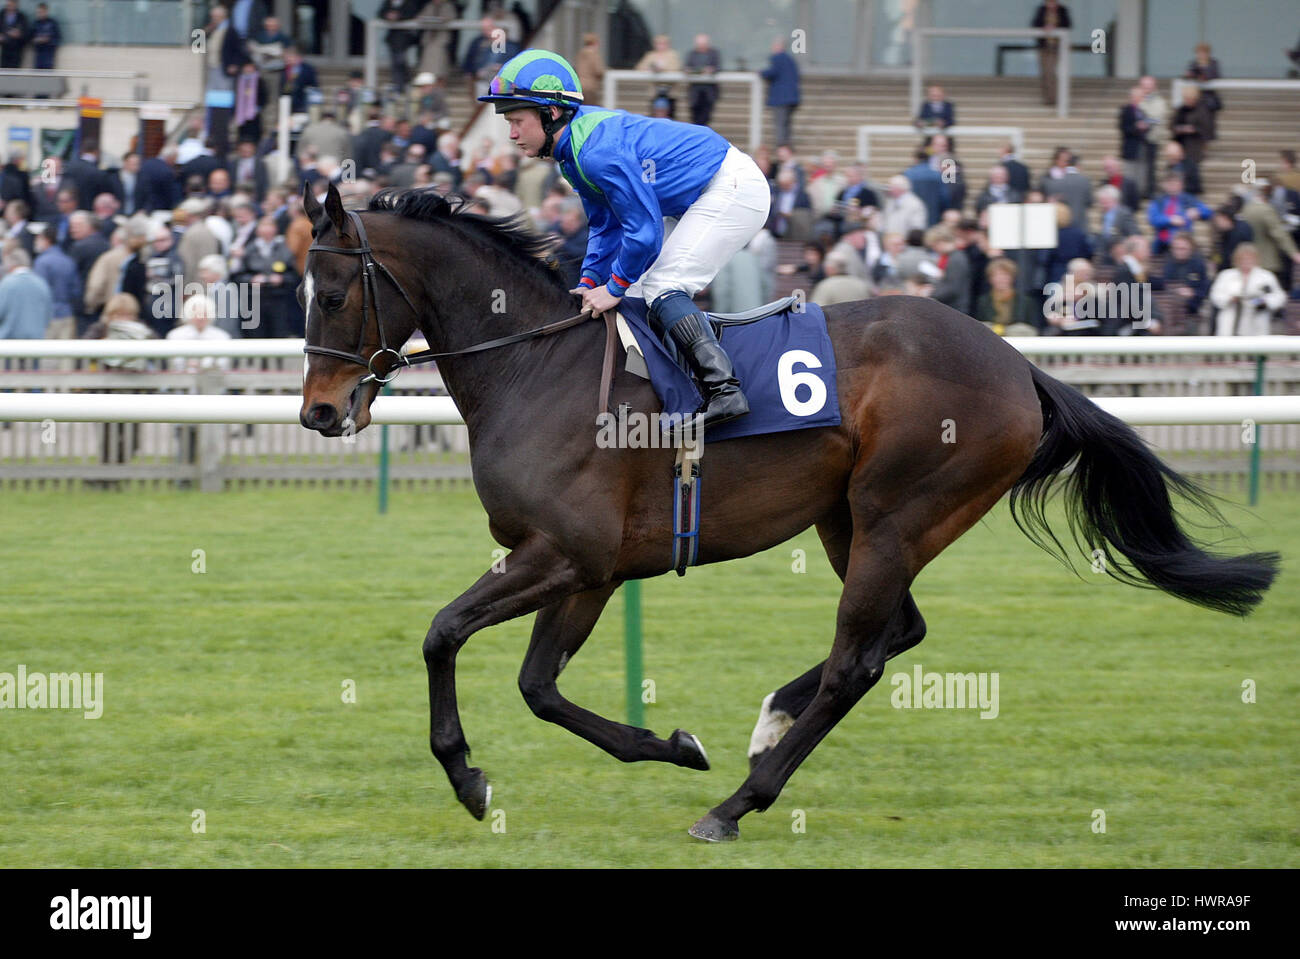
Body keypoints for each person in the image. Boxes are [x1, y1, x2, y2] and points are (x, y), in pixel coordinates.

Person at [481, 49, 771, 434]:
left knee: (662, 285)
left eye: (517, 120)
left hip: (732, 187)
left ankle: (724, 390)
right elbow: (605, 225)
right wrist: (588, 282)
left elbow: (645, 233)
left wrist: (612, 286)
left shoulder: (596, 153)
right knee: (633, 287)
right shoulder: (572, 154)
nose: (512, 134)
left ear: (551, 114)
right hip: (699, 193)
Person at [1209, 243, 1287, 336]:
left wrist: (1264, 301)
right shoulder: (1226, 275)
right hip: (1230, 321)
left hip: (1256, 322)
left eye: (1250, 258)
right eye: (1243, 259)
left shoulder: (1265, 276)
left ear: (1256, 260)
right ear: (1236, 260)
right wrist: (1230, 299)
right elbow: (1215, 294)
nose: (1246, 261)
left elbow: (1279, 296)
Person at [31, 225, 78, 338]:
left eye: (38, 238)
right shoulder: (68, 260)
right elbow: (76, 291)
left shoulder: (42, 262)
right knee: (66, 354)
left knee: (48, 354)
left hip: (48, 317)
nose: (36, 242)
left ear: (46, 240)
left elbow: (38, 292)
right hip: (67, 314)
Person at [1147, 171, 1209, 255]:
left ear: (1181, 185)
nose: (1173, 186)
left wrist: (1198, 212)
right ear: (1164, 185)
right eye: (1170, 183)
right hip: (1162, 245)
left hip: (1184, 242)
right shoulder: (1158, 201)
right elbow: (1153, 219)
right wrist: (1170, 220)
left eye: (1175, 183)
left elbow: (1208, 212)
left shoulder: (1189, 199)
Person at [1161, 233, 1211, 333]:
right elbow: (1163, 284)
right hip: (1171, 312)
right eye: (1176, 248)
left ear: (1190, 249)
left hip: (1191, 312)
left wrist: (1193, 293)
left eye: (1183, 248)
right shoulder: (1168, 264)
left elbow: (1205, 288)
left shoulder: (1199, 264)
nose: (1179, 251)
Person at [975, 258, 1038, 335]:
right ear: (990, 279)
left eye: (1005, 275)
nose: (1001, 279)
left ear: (1012, 277)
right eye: (996, 275)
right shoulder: (983, 301)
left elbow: (1033, 328)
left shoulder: (1025, 301)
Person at [0, 248, 52, 339]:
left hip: (10, 341)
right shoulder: (41, 283)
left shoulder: (6, 284)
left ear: (10, 265)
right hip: (36, 341)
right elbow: (48, 315)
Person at [1170, 85, 1212, 196]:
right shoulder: (1181, 109)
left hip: (1194, 146)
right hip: (1181, 143)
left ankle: (1193, 190)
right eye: (1185, 99)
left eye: (1189, 99)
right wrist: (1178, 129)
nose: (1187, 101)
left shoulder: (1202, 110)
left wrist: (1193, 129)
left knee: (1192, 168)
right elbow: (1172, 124)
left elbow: (1206, 128)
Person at [760, 37, 800, 148]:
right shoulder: (791, 60)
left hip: (780, 98)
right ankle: (787, 147)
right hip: (792, 98)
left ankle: (781, 148)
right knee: (786, 125)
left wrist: (761, 73)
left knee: (780, 125)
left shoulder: (777, 58)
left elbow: (772, 72)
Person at [1031, 0, 1071, 107]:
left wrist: (1055, 28)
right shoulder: (1041, 10)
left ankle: (1054, 98)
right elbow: (1035, 23)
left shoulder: (1063, 10)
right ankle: (1047, 97)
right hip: (1044, 46)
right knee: (1045, 72)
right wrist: (1044, 27)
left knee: (1051, 71)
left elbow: (1067, 24)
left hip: (1057, 47)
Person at [1183, 43, 1221, 139]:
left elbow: (1216, 76)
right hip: (1195, 97)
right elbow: (1188, 76)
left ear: (1208, 53)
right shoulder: (1193, 64)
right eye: (1199, 52)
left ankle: (1205, 144)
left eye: (1204, 52)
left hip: (1208, 99)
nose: (1201, 55)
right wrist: (1191, 75)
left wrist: (1205, 77)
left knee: (1207, 124)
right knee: (1195, 122)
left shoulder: (1214, 64)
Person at [685, 34, 721, 128]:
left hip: (709, 90)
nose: (701, 46)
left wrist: (710, 70)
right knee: (695, 115)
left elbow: (718, 67)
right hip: (695, 91)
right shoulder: (692, 54)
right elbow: (686, 67)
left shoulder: (714, 53)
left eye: (703, 44)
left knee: (706, 115)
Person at [576, 32, 605, 108]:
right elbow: (598, 71)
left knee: (582, 107)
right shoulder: (594, 53)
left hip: (580, 84)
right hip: (591, 86)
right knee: (592, 108)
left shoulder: (581, 53)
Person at [0, 0, 28, 70]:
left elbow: (26, 34)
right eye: (9, 3)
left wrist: (19, 34)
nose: (10, 5)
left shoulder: (21, 17)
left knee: (14, 72)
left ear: (16, 4)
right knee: (4, 72)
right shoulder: (2, 15)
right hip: (4, 50)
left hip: (16, 51)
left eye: (12, 3)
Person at [29, 2, 58, 69]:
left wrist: (48, 40)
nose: (40, 14)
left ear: (46, 11)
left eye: (41, 12)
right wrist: (36, 40)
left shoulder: (52, 23)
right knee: (38, 76)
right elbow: (29, 39)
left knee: (47, 75)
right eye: (38, 12)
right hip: (38, 56)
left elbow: (57, 38)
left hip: (49, 56)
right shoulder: (35, 24)